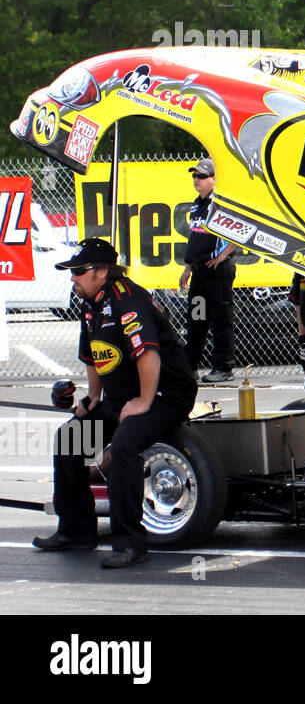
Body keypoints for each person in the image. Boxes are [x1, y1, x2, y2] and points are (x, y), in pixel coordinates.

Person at [33, 238, 197, 567]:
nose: (73, 278)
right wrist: (93, 398)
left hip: (165, 393)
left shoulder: (128, 299)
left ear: (103, 271)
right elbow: (94, 356)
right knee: (69, 439)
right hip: (122, 397)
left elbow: (148, 353)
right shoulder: (89, 303)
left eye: (80, 271)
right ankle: (76, 531)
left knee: (123, 445)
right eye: (72, 271)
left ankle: (130, 543)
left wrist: (144, 401)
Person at [179, 157, 236, 383]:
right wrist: (187, 268)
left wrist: (222, 256)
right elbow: (194, 238)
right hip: (199, 271)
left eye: (202, 176)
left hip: (218, 271)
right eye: (195, 176)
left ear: (214, 179)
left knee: (221, 320)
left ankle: (224, 368)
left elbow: (239, 232)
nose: (197, 180)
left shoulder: (221, 202)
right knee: (196, 318)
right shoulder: (197, 203)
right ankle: (190, 366)